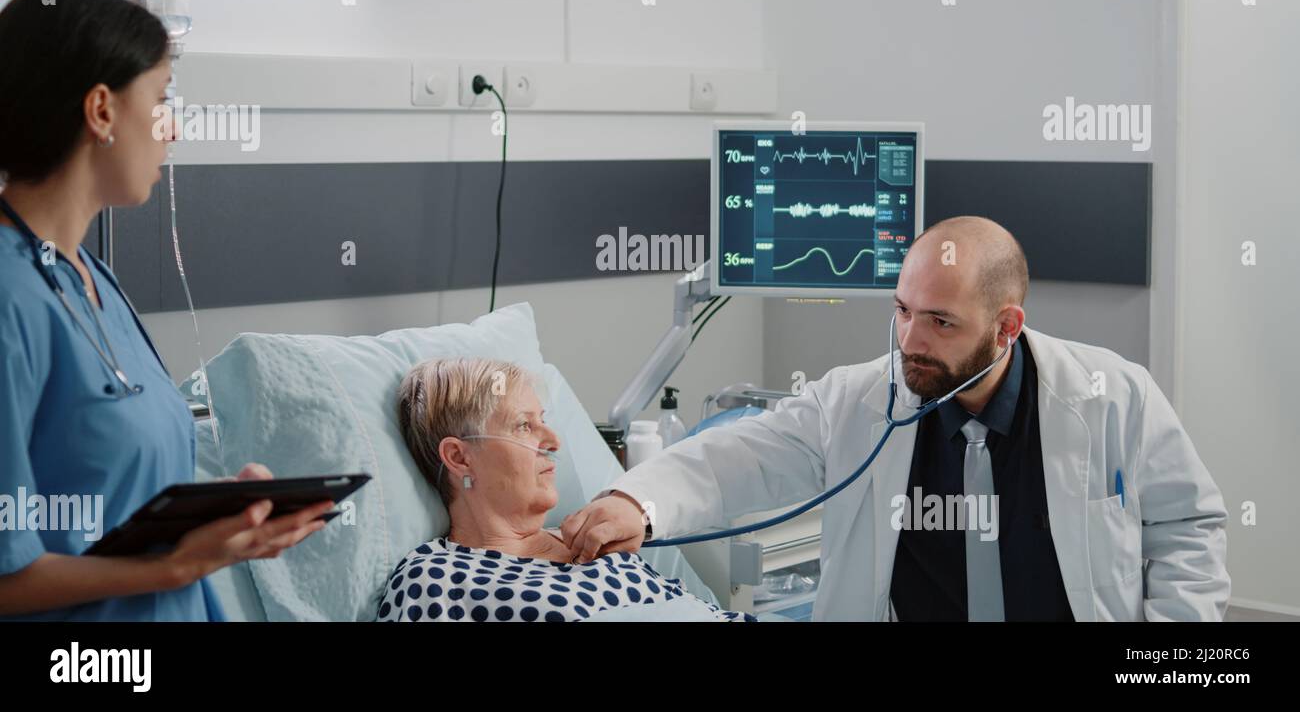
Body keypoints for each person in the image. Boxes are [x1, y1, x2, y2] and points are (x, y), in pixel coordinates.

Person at [561, 216, 1230, 621]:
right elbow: (743, 456)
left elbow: (1188, 524)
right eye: (903, 310)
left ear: (1007, 327)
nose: (911, 340)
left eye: (940, 322)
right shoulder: (857, 401)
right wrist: (636, 499)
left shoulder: (1114, 396)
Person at [0, 0, 332, 620]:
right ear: (101, 111)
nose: (172, 129)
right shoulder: (10, 301)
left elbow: (107, 483)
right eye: (160, 99)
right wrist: (177, 564)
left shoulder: (92, 279)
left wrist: (217, 511)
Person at [380, 357, 753, 621]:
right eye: (524, 426)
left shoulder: (594, 541)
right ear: (460, 458)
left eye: (543, 420)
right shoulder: (435, 580)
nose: (554, 441)